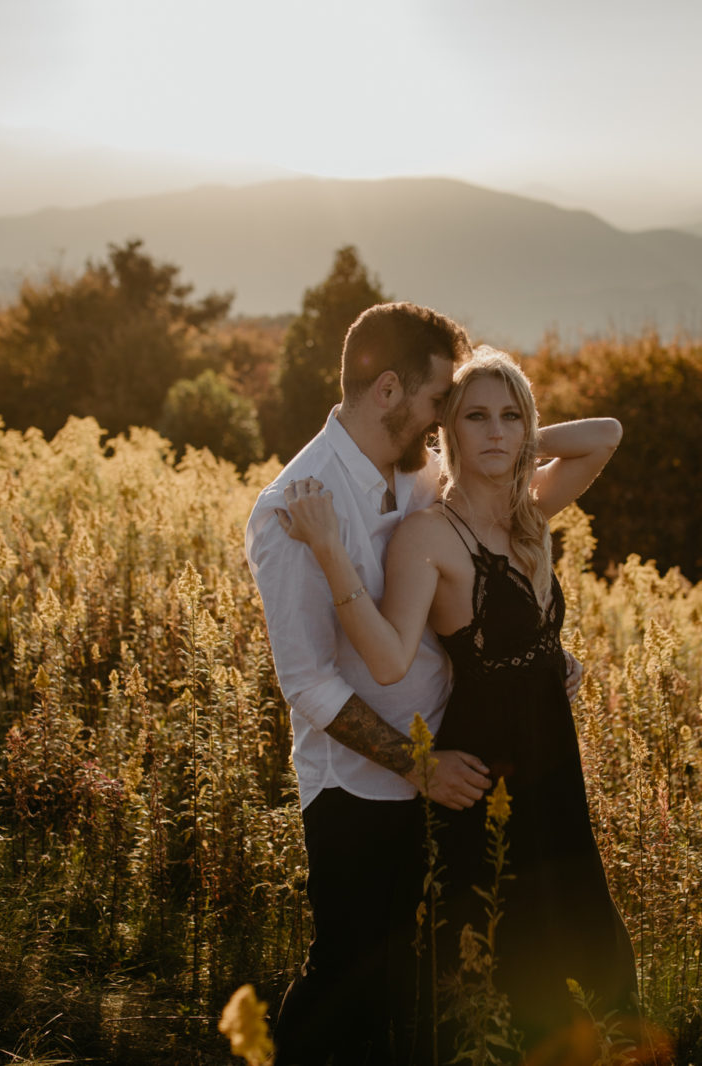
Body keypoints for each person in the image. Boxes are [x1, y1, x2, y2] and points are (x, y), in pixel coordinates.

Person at [278, 347, 638, 1059]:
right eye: (477, 418)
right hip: (488, 769)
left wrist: (521, 432)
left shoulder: (527, 509)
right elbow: (385, 658)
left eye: (512, 418)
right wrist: (328, 550)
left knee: (588, 944)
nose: (498, 433)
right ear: (444, 431)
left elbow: (607, 436)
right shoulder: (429, 535)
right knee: (504, 957)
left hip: (553, 764)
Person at [244, 302, 489, 1066]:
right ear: (387, 390)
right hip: (356, 790)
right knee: (351, 976)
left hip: (445, 772)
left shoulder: (419, 473)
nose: (444, 421)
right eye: (437, 401)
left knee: (411, 985)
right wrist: (419, 765)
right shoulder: (294, 505)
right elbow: (307, 683)